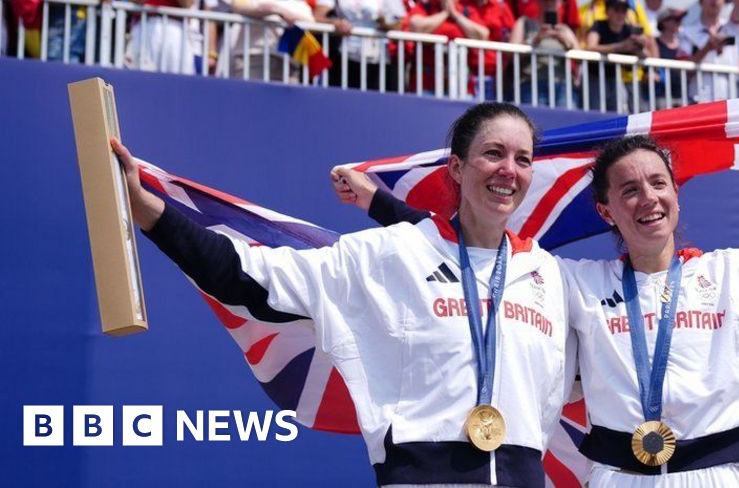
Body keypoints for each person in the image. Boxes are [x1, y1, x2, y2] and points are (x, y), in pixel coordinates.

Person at [339, 96, 739, 488]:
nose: (648, 199)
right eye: (628, 190)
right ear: (607, 211)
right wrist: (383, 206)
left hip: (715, 477)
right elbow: (474, 251)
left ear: (676, 190)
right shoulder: (572, 284)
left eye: (657, 183)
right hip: (615, 478)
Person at [111, 102, 573, 487]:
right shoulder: (391, 253)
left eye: (523, 159)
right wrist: (146, 209)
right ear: (456, 166)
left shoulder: (549, 275)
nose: (509, 170)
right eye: (493, 154)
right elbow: (248, 275)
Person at [404, 0, 487, 95]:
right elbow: (416, 27)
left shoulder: (465, 11)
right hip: (424, 89)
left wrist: (455, 14)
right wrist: (445, 13)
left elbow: (482, 35)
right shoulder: (424, 8)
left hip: (461, 90)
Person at [229, 0, 313, 82]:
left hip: (289, 66)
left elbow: (311, 24)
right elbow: (238, 7)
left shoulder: (301, 5)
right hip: (254, 59)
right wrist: (270, 11)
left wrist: (280, 12)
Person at [508, 0, 578, 108]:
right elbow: (511, 54)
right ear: (537, 0)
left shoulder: (564, 29)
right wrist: (534, 40)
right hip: (531, 83)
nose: (549, 2)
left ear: (559, 2)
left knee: (567, 124)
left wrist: (567, 43)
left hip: (562, 84)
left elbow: (580, 58)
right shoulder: (524, 23)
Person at [679, 0, 739, 102]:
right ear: (700, 1)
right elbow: (683, 70)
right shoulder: (687, 33)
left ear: (724, 0)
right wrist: (707, 48)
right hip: (699, 98)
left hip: (729, 98)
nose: (713, 1)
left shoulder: (731, 27)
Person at [585, 0, 655, 111]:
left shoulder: (629, 30)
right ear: (607, 11)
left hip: (616, 78)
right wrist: (621, 46)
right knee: (595, 113)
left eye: (624, 10)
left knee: (615, 115)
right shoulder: (599, 25)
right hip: (595, 77)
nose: (620, 14)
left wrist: (640, 47)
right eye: (616, 9)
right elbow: (590, 47)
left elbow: (646, 55)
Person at [459, 0, 514, 99]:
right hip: (464, 77)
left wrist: (502, 76)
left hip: (495, 79)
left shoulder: (501, 8)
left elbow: (510, 45)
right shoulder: (458, 4)